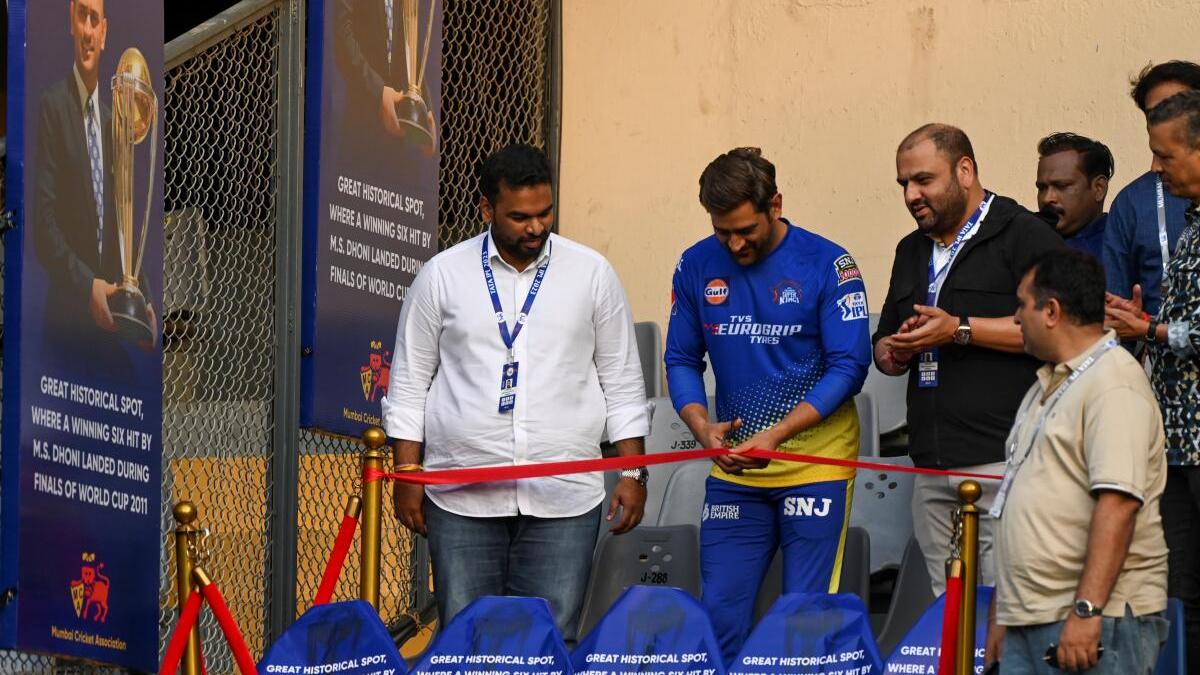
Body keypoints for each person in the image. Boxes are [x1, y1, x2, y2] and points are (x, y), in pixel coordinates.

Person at [381, 143, 650, 638]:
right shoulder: (442, 276)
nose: (536, 227)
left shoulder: (591, 274)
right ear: (486, 209)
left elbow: (623, 380)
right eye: (520, 217)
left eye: (545, 213)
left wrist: (634, 472)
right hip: (462, 497)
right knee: (466, 641)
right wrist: (408, 473)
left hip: (564, 499)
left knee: (548, 641)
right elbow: (410, 382)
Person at [664, 147, 871, 663]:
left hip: (815, 465)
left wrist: (776, 435)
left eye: (745, 230)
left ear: (775, 205)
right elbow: (681, 358)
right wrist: (700, 425)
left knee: (803, 620)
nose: (735, 244)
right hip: (736, 470)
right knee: (719, 617)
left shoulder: (829, 264)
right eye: (722, 232)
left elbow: (849, 366)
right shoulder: (695, 264)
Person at [873, 124, 1063, 596]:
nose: (911, 195)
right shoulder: (910, 249)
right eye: (903, 184)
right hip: (930, 464)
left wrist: (959, 329)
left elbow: (1058, 332)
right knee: (949, 610)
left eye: (923, 180)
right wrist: (893, 351)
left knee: (1008, 608)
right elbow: (884, 342)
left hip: (1006, 462)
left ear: (965, 171)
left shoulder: (1024, 234)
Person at [986, 249, 1168, 675]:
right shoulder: (1047, 383)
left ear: (1051, 311)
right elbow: (1015, 498)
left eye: (1021, 305)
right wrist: (1002, 613)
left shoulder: (1114, 383)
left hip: (1093, 621)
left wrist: (1087, 610)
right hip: (1031, 617)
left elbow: (1118, 504)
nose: (1016, 318)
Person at [1104, 89, 1200, 673]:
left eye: (1166, 155)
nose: (1156, 168)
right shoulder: (1191, 224)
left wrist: (1152, 330)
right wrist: (1141, 322)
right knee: (1183, 590)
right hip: (1179, 443)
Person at [33, 0, 147, 378]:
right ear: (71, 23)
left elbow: (123, 219)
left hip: (109, 333)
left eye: (93, 19)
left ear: (104, 32)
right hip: (65, 326)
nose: (86, 30)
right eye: (80, 16)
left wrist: (143, 297)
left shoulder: (115, 122)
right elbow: (43, 226)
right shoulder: (53, 107)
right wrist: (87, 287)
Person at [1104, 61, 1200, 324]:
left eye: (1178, 107)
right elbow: (1116, 310)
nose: (1166, 118)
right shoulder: (1132, 202)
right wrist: (1141, 325)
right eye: (1155, 113)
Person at [1034, 132, 1114, 260]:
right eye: (1042, 188)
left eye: (1061, 186)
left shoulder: (1120, 249)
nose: (1047, 198)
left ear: (1099, 188)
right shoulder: (1026, 240)